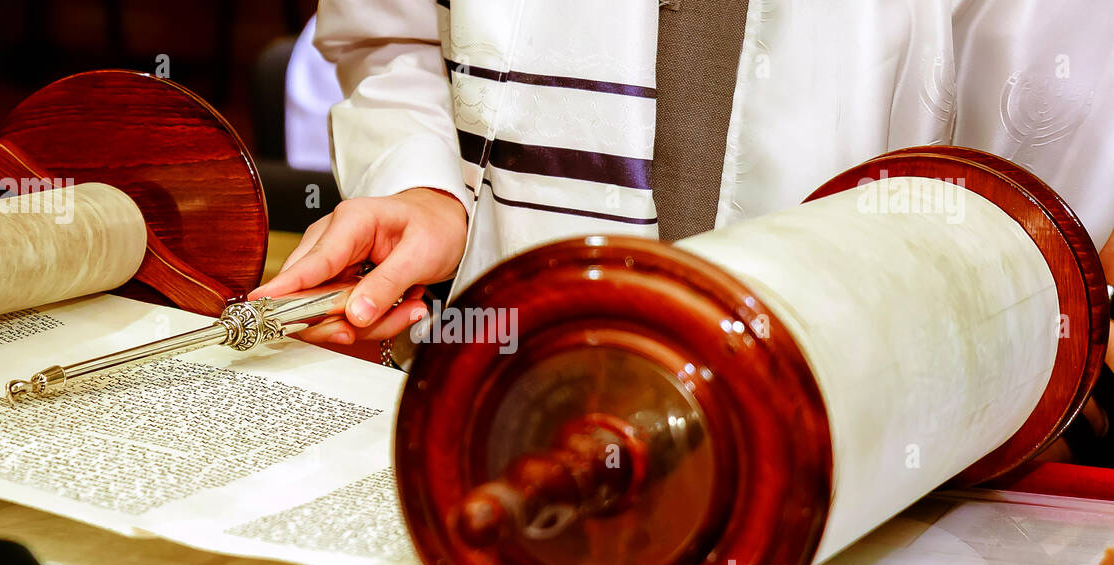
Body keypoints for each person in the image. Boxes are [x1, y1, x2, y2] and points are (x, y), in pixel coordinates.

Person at [252, 0, 1114, 360]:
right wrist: (426, 185)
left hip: (877, 424)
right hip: (507, 366)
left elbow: (1051, 110)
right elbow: (388, 33)